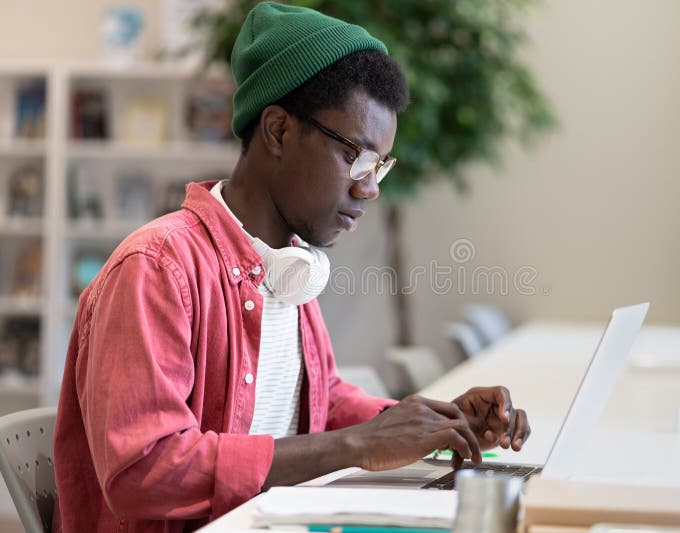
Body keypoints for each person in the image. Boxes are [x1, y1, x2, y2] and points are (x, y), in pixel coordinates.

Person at [53, 3, 530, 532]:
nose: (369, 188)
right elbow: (144, 472)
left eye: (381, 166)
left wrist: (436, 423)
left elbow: (318, 403)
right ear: (278, 130)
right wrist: (352, 446)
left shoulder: (288, 269)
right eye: (357, 156)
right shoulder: (157, 269)